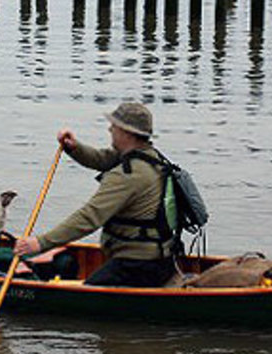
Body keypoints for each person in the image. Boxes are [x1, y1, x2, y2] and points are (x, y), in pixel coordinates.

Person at [14, 102, 176, 287]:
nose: (110, 129)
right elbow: (103, 158)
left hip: (136, 265)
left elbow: (89, 217)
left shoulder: (127, 176)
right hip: (161, 259)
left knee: (80, 298)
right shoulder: (150, 157)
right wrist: (74, 148)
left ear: (126, 132)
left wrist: (40, 243)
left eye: (114, 126)